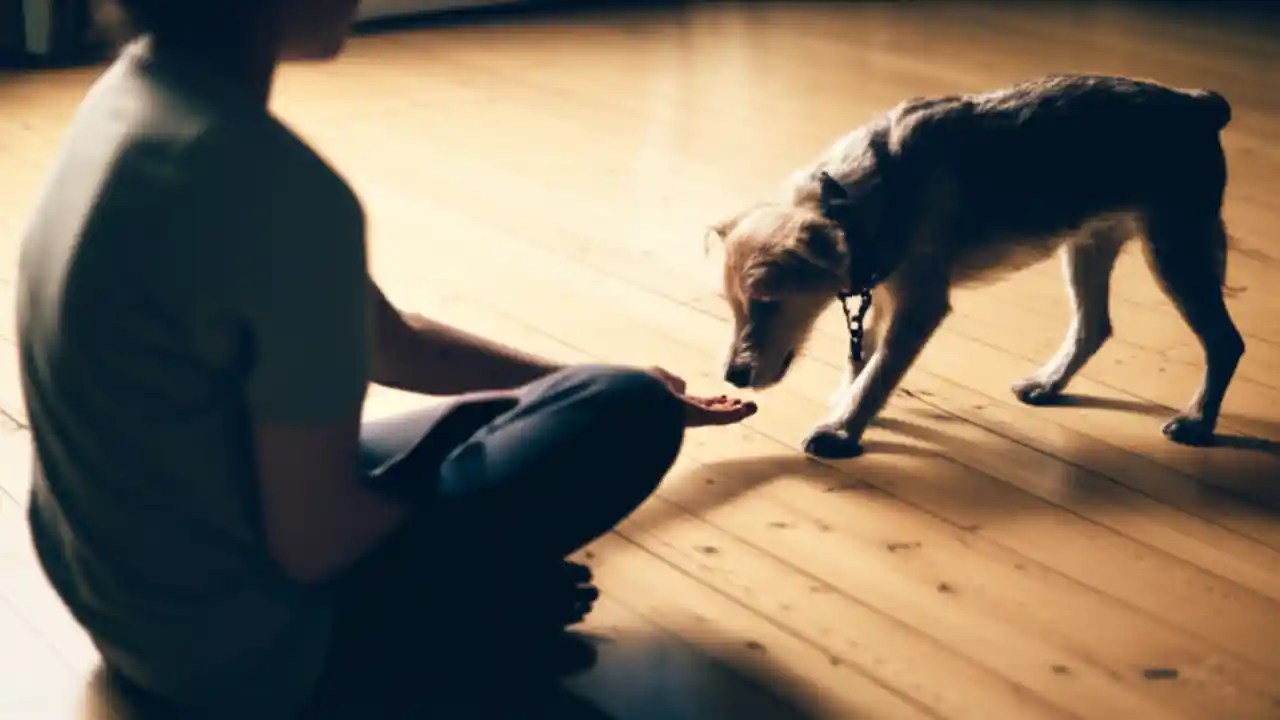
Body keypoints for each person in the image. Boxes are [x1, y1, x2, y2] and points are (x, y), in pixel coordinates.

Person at [14, 1, 758, 717]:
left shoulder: (131, 96)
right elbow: (315, 541)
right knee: (626, 416)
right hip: (238, 658)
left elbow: (390, 340)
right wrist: (476, 572)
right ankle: (427, 640)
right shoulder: (274, 185)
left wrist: (562, 387)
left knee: (605, 394)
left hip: (122, 600)